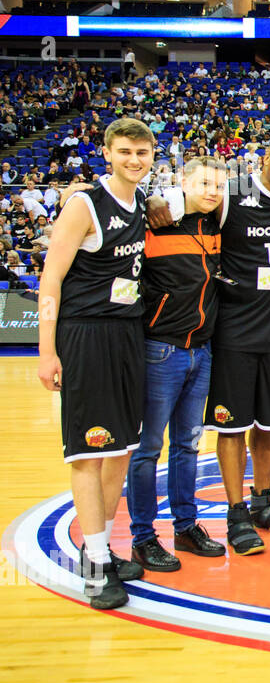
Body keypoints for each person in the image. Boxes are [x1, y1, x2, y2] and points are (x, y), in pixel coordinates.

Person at [38, 118, 153, 610]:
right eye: (125, 152)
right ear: (107, 153)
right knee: (89, 450)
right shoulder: (84, 204)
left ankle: (99, 546)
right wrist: (47, 349)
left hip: (128, 333)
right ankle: (94, 565)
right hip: (85, 335)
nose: (134, 160)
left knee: (122, 447)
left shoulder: (144, 203)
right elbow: (49, 280)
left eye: (143, 152)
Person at [200, 136, 270, 556]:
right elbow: (188, 203)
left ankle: (263, 502)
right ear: (265, 159)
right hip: (235, 336)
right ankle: (235, 512)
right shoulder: (233, 193)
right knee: (232, 427)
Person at [124, 156, 229, 571]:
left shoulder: (216, 226)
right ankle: (142, 537)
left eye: (219, 186)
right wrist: (152, 198)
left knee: (187, 446)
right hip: (159, 351)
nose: (212, 192)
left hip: (201, 352)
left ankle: (186, 527)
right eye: (204, 183)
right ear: (182, 182)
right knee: (147, 448)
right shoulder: (153, 222)